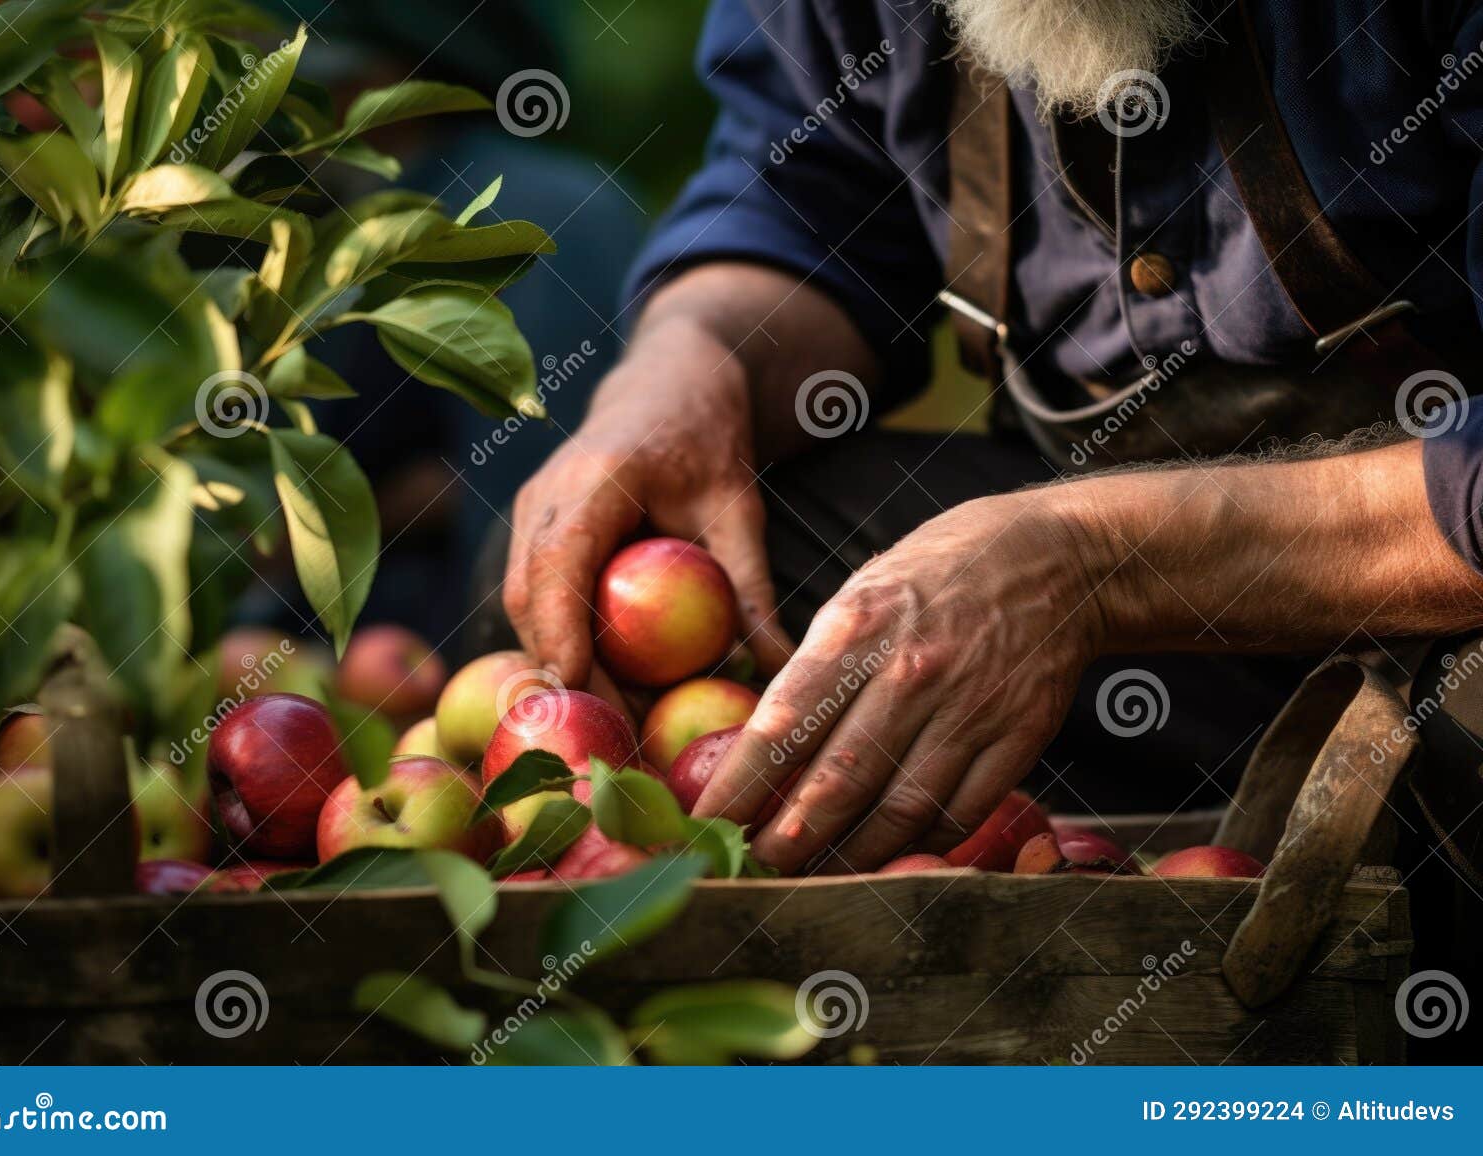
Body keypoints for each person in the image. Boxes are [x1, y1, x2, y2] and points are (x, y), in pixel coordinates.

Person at [490, 0, 1483, 876]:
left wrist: (1088, 565)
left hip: (1439, 601)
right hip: (1171, 647)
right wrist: (692, 358)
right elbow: (806, 197)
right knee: (600, 558)